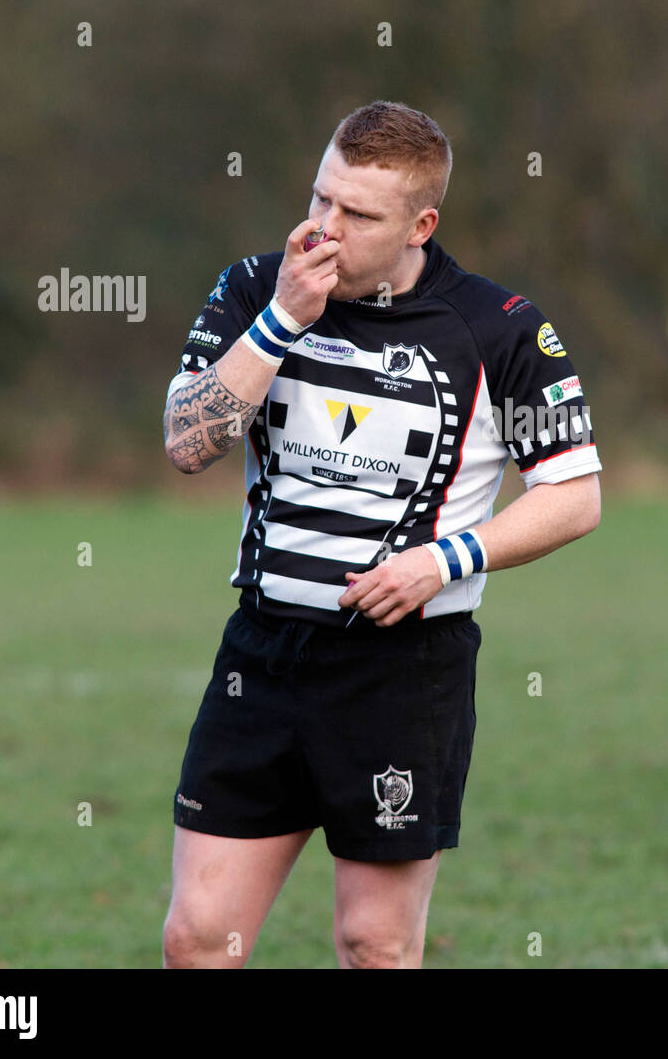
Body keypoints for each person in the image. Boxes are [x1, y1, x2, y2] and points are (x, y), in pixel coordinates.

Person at [159, 100, 601, 968]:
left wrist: (448, 559)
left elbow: (574, 496)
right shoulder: (255, 288)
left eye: (357, 214)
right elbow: (186, 442)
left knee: (374, 947)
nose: (324, 228)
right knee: (198, 938)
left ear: (419, 225)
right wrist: (282, 320)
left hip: (404, 670)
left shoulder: (500, 327)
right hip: (264, 656)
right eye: (321, 199)